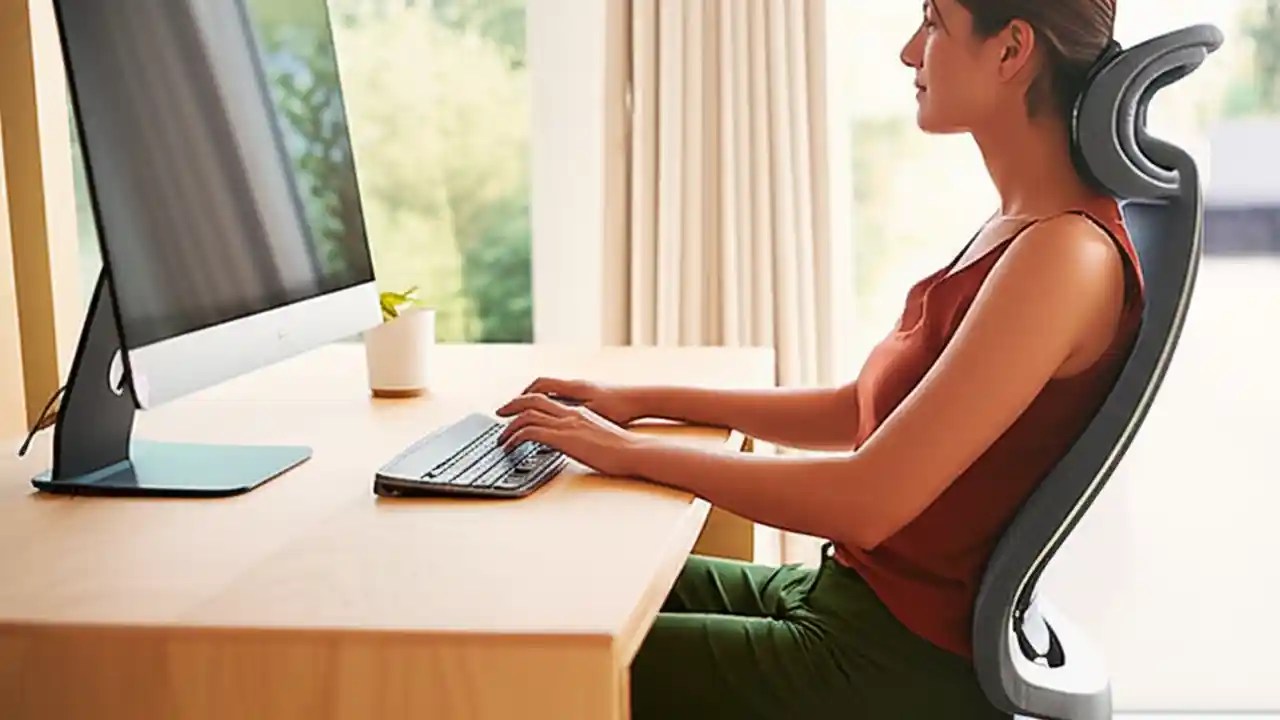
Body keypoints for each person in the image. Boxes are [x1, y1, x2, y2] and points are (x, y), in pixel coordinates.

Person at [496, 0, 1144, 717]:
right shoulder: (1019, 228)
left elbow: (866, 502)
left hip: (891, 662)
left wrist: (626, 453)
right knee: (557, 581)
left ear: (1010, 49)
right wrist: (638, 403)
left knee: (526, 664)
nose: (909, 52)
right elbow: (855, 409)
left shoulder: (1063, 257)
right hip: (843, 601)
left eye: (932, 23)